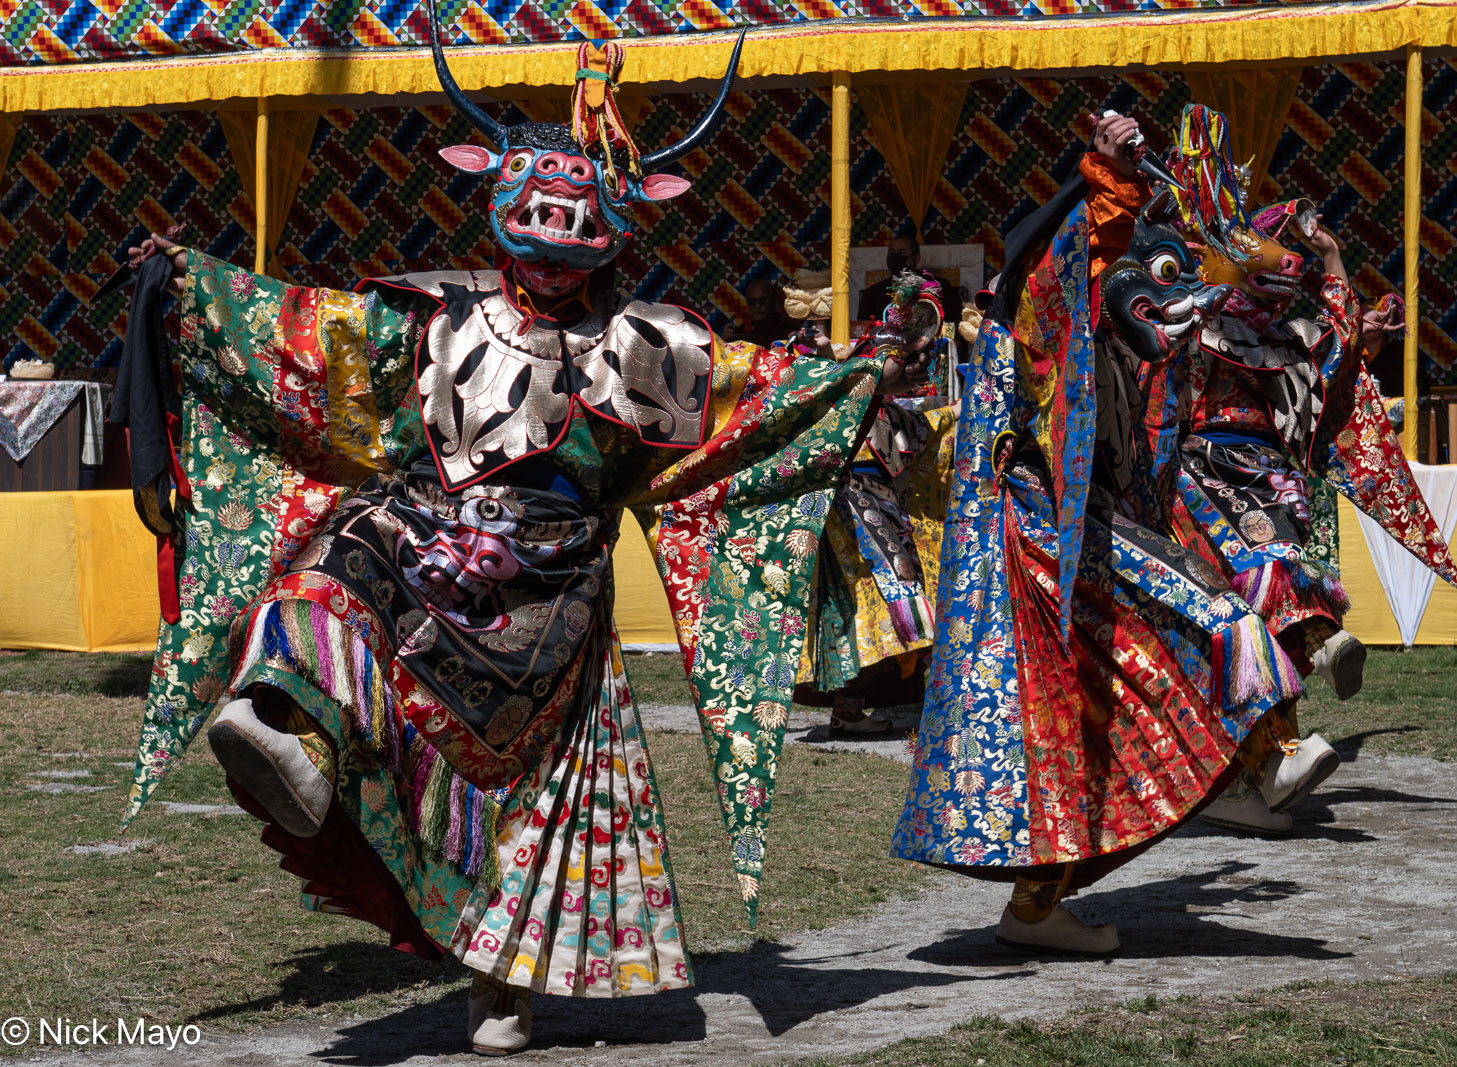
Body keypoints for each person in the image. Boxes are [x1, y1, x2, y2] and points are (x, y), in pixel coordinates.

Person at [115, 13, 928, 1056]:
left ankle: (500, 982)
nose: (552, 250)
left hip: (556, 594)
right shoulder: (429, 320)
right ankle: (293, 728)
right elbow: (295, 336)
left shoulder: (651, 346)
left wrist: (864, 368)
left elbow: (758, 397)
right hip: (423, 550)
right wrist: (186, 282)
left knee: (530, 804)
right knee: (325, 565)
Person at [893, 113, 1319, 955]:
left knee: (1096, 723)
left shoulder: (1115, 355)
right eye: (1123, 268)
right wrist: (1109, 174)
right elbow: (1090, 261)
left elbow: (1185, 310)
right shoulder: (1039, 323)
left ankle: (1039, 903)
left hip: (1074, 536)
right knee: (1201, 624)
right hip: (1034, 543)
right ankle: (1266, 755)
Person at [1151, 106, 1457, 836]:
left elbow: (1321, 348)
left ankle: (1268, 762)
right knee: (1246, 602)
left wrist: (1331, 277)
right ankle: (1282, 713)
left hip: (1242, 470)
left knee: (1255, 603)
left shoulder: (1252, 321)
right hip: (1194, 474)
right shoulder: (1188, 304)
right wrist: (1326, 270)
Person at [795, 272, 958, 736]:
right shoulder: (866, 369)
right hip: (850, 498)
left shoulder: (884, 388)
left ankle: (859, 706)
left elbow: (914, 429)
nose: (919, 361)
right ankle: (859, 707)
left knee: (892, 594)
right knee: (890, 594)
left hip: (880, 495)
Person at [856, 233, 964, 326]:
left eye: (902, 253)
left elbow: (954, 323)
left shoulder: (938, 287)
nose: (895, 257)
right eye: (892, 252)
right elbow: (863, 328)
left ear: (916, 258)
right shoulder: (873, 293)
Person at [733, 276, 803, 347]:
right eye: (752, 301)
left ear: (772, 302)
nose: (757, 306)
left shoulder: (787, 328)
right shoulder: (743, 328)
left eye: (763, 301)